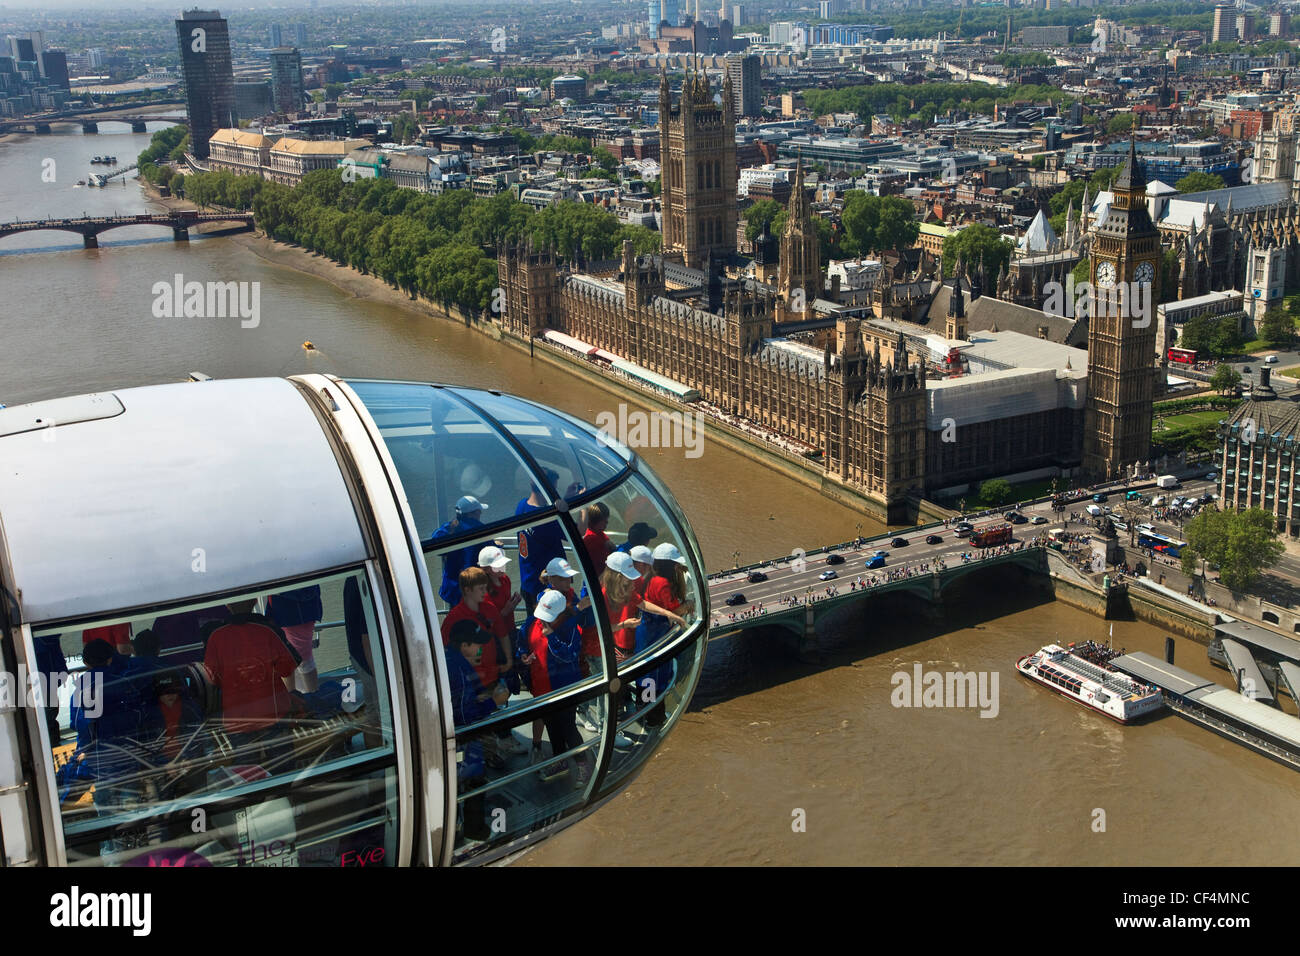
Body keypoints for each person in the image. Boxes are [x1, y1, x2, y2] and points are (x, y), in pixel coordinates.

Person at [202, 599, 300, 770]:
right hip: (273, 712)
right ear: (255, 602)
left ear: (227, 605)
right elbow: (287, 667)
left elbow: (211, 677)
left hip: (238, 717)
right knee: (284, 768)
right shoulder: (267, 630)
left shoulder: (216, 636)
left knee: (247, 773)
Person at [446, 619, 509, 842]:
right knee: (475, 780)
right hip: (463, 741)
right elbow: (466, 716)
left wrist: (479, 695)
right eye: (476, 644)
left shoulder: (449, 659)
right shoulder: (459, 668)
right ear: (464, 646)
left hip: (448, 738)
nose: (481, 648)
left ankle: (451, 829)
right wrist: (495, 701)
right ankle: (475, 831)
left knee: (450, 788)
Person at [523, 589, 590, 787]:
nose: (544, 620)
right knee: (551, 725)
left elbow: (570, 656)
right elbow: (524, 643)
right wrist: (524, 656)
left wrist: (552, 637)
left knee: (568, 727)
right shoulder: (533, 623)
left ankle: (583, 765)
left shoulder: (571, 629)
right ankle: (560, 761)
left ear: (561, 614)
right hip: (543, 686)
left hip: (564, 687)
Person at [634, 543, 694, 727]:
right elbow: (675, 609)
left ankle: (642, 709)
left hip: (648, 633)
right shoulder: (663, 583)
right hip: (656, 636)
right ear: (669, 565)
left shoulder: (652, 578)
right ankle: (653, 718)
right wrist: (688, 604)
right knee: (654, 678)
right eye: (675, 564)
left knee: (646, 675)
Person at [516, 472, 567, 616]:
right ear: (547, 489)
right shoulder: (545, 520)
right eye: (554, 489)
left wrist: (566, 498)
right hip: (544, 587)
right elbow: (578, 531)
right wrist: (584, 510)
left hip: (528, 580)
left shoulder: (522, 506)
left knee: (533, 625)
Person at [431, 495, 489, 606]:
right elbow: (491, 553)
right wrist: (498, 546)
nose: (480, 514)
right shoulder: (481, 529)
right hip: (472, 587)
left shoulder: (451, 527)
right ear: (474, 513)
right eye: (479, 512)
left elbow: (436, 545)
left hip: (454, 589)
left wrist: (449, 527)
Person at [266, 585, 323, 693]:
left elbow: (306, 591)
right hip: (290, 615)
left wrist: (277, 589)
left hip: (294, 616)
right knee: (294, 659)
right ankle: (306, 698)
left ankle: (299, 700)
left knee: (298, 660)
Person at [582, 502, 613, 576]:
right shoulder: (591, 539)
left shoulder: (599, 533)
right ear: (595, 521)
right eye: (604, 521)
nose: (607, 522)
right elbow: (604, 561)